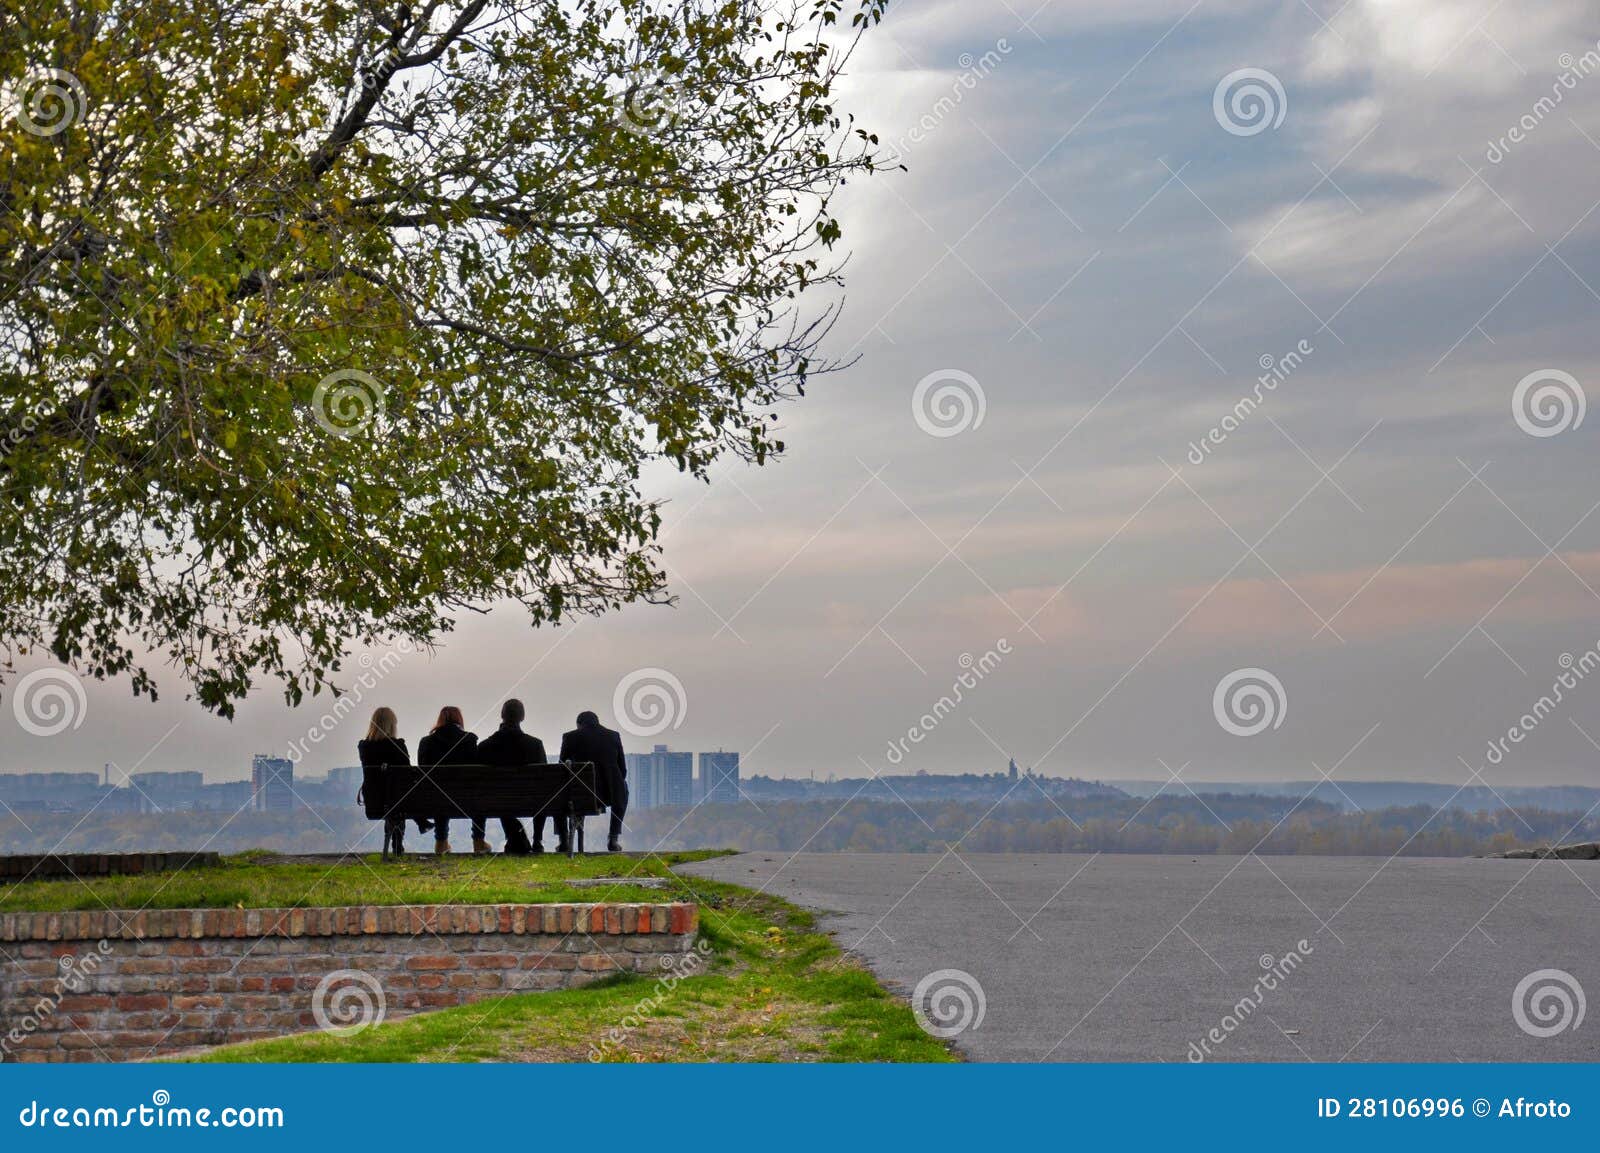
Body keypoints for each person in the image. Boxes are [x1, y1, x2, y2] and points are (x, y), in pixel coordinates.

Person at [474, 698, 547, 854]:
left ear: (502, 715)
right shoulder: (535, 745)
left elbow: (478, 782)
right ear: (522, 717)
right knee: (543, 793)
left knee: (495, 795)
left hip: (494, 801)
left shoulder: (485, 746)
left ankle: (510, 837)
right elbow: (543, 781)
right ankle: (537, 841)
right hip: (531, 799)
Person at [357, 707, 431, 855]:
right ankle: (415, 827)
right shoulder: (397, 745)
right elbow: (407, 773)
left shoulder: (364, 747)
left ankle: (417, 825)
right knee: (399, 794)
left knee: (394, 796)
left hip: (374, 801)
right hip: (396, 799)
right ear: (391, 725)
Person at [558, 710, 628, 852]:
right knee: (623, 788)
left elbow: (561, 770)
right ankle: (613, 837)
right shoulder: (613, 736)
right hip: (608, 795)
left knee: (558, 792)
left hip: (577, 795)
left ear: (579, 724)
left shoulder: (569, 737)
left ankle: (564, 840)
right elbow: (623, 771)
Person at [418, 705, 480, 854]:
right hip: (467, 799)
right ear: (459, 720)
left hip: (434, 799)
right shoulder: (469, 740)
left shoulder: (426, 742)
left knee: (438, 792)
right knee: (478, 790)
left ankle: (441, 842)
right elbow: (476, 773)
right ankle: (479, 841)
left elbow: (422, 771)